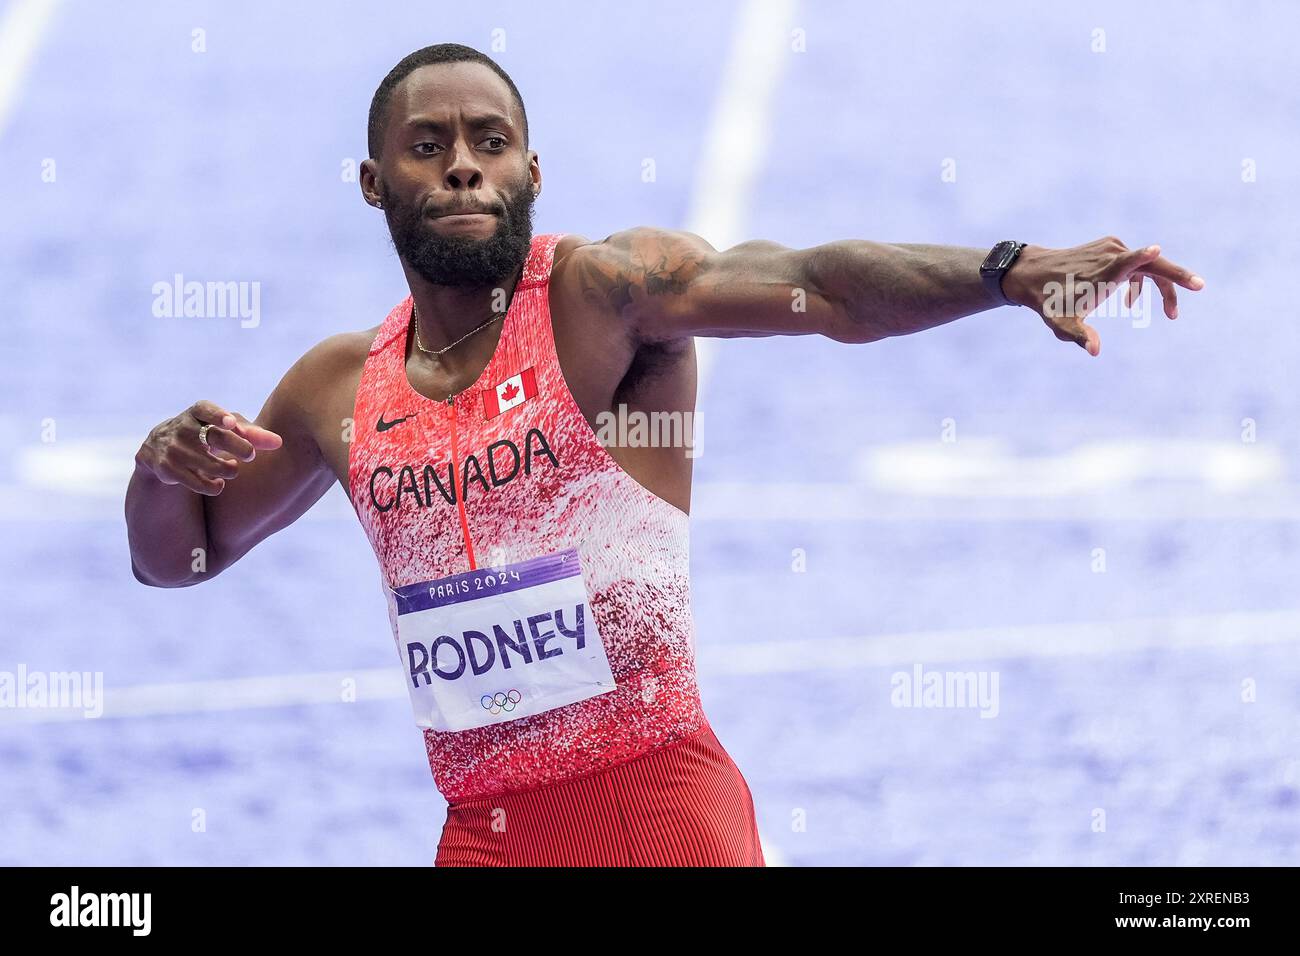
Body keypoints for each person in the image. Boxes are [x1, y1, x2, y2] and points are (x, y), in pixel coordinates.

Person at [124, 43, 1204, 866]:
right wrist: (158, 474)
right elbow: (180, 559)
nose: (462, 167)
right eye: (428, 146)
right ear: (373, 182)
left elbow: (818, 288)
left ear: (532, 169)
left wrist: (1004, 268)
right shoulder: (336, 387)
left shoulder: (608, 298)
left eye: (489, 142)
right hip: (481, 832)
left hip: (654, 813)